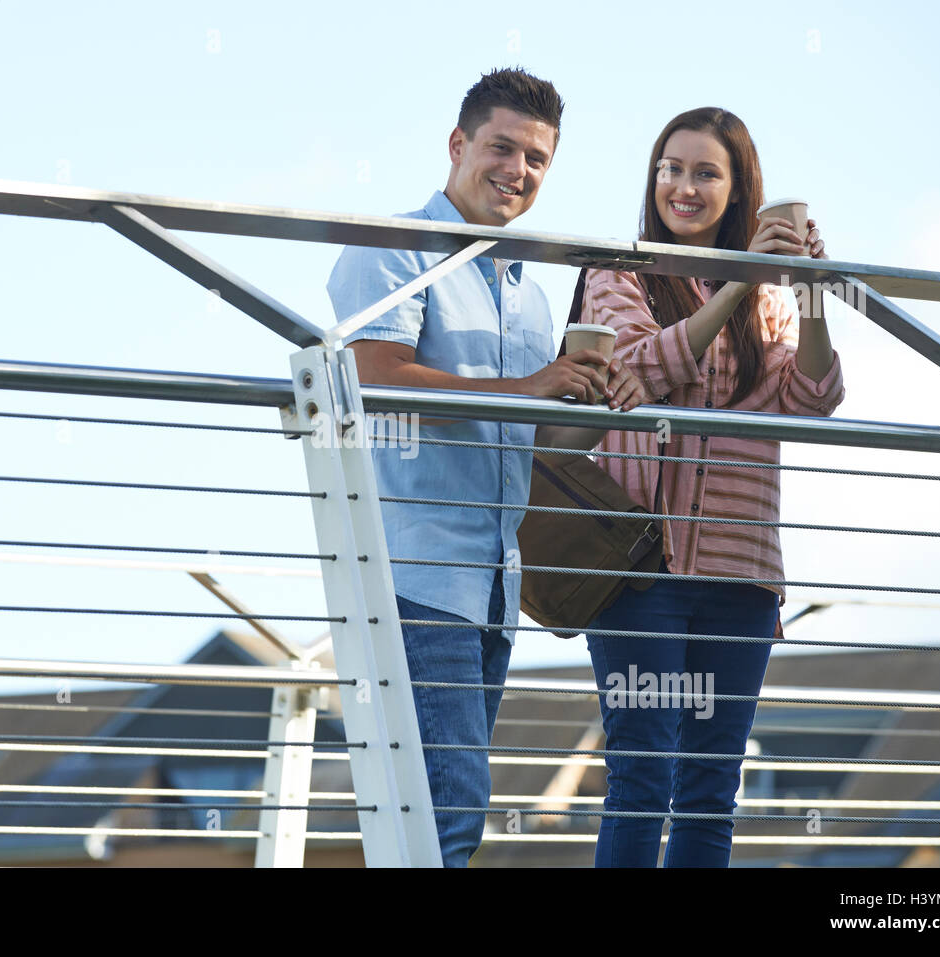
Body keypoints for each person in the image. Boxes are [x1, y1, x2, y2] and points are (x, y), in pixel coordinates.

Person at [326, 68, 647, 867]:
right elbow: (373, 377)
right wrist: (529, 385)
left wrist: (595, 409)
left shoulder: (530, 295)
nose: (519, 170)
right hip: (415, 572)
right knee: (448, 804)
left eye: (538, 159)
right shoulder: (392, 244)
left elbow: (532, 444)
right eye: (503, 147)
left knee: (444, 806)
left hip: (498, 586)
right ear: (458, 144)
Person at [574, 106, 846, 867]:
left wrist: (811, 287)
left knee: (709, 790)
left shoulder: (771, 300)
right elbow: (643, 370)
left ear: (740, 193)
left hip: (742, 570)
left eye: (704, 172)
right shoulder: (619, 270)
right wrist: (740, 281)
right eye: (670, 168)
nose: (682, 186)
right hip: (639, 567)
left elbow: (813, 397)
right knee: (642, 772)